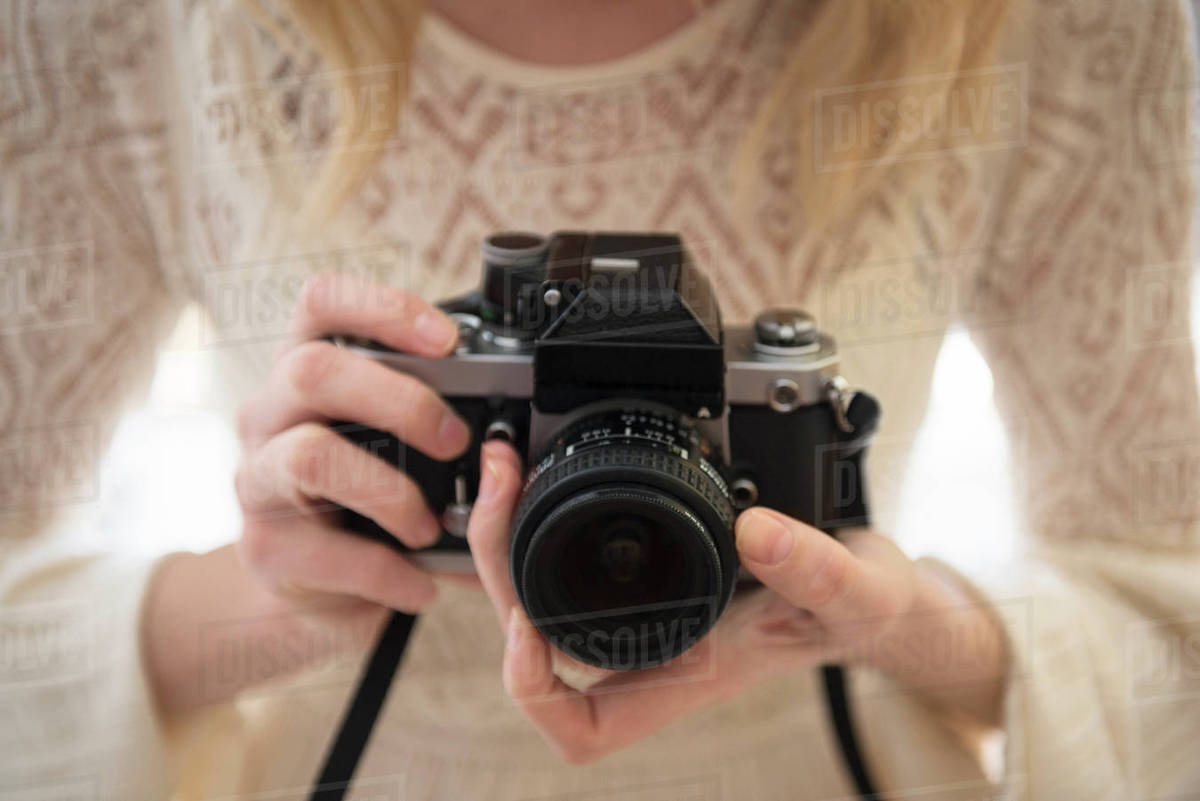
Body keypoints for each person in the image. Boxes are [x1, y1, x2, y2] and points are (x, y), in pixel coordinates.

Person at [2, 0, 1199, 798]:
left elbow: (1168, 623)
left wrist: (891, 618)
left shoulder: (1050, 23)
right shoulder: (110, 27)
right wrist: (277, 594)